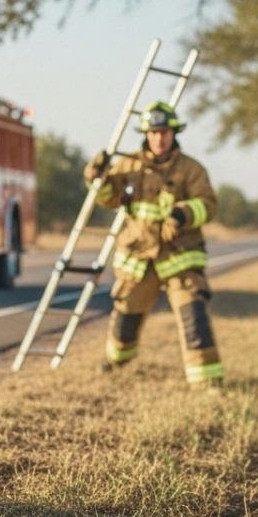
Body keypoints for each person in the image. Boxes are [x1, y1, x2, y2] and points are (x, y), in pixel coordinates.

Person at [83, 101, 222, 387]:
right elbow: (109, 198)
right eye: (154, 132)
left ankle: (206, 381)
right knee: (126, 317)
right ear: (146, 134)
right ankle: (118, 362)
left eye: (165, 132)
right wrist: (97, 177)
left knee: (192, 315)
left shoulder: (191, 169)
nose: (160, 138)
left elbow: (208, 204)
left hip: (180, 256)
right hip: (139, 257)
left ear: (174, 133)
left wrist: (183, 214)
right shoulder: (129, 165)